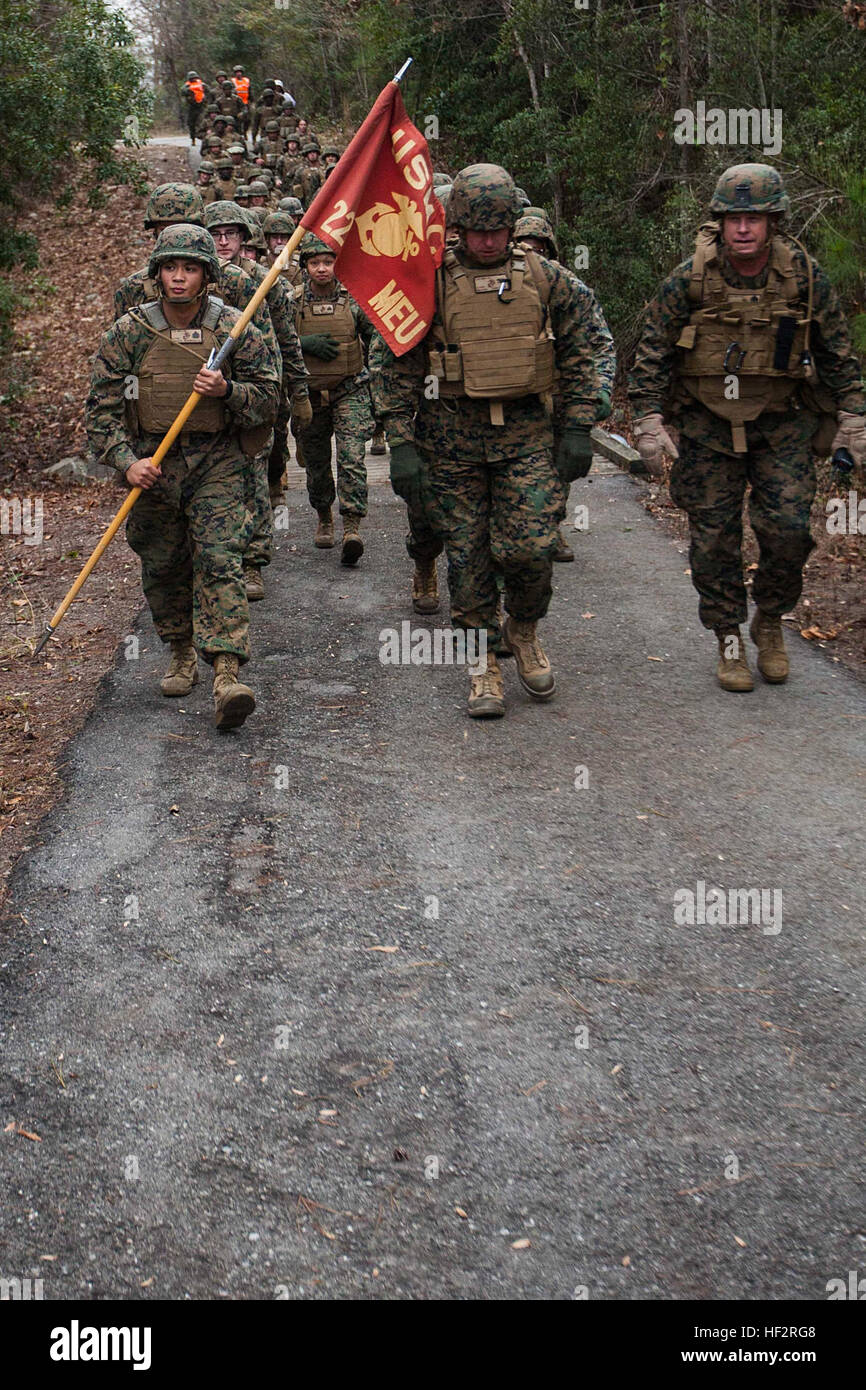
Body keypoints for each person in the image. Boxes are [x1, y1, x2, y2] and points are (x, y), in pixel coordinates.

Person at [629, 162, 866, 691]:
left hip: (783, 423)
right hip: (708, 427)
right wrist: (647, 417)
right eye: (734, 218)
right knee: (713, 542)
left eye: (754, 219)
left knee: (787, 533)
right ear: (720, 220)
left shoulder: (803, 277)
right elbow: (653, 352)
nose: (743, 229)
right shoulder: (689, 279)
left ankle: (770, 619)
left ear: (773, 222)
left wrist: (853, 414)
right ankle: (729, 638)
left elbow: (837, 349)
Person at [372, 163, 597, 718]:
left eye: (498, 228)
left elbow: (585, 349)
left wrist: (579, 425)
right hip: (451, 444)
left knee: (530, 550)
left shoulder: (547, 280)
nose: (489, 240)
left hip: (526, 439)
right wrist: (401, 444)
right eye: (477, 230)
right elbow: (394, 363)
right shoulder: (428, 285)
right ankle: (483, 663)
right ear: (458, 229)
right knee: (467, 560)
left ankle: (522, 630)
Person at [87, 224, 280, 729]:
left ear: (206, 275)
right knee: (164, 563)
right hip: (153, 466)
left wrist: (227, 392)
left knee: (219, 559)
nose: (179, 277)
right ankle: (179, 647)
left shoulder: (236, 330)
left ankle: (226, 672)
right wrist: (125, 460)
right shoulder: (130, 332)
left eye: (189, 268)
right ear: (156, 274)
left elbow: (269, 400)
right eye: (170, 268)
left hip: (216, 462)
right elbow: (100, 411)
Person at [514, 207, 615, 561]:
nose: (531, 254)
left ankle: (551, 524)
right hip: (521, 395)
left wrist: (600, 388)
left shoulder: (570, 288)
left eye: (538, 248)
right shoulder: (503, 288)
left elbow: (599, 341)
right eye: (524, 246)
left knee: (560, 463)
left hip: (562, 391)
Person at [205, 201, 312, 529]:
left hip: (262, 384)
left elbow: (286, 336)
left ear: (243, 238)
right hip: (210, 387)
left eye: (230, 234)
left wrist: (300, 390)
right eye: (216, 234)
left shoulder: (265, 280)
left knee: (271, 449)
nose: (223, 242)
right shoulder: (191, 278)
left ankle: (272, 494)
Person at [292, 233, 375, 563]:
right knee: (316, 461)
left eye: (328, 262)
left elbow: (375, 340)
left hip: (349, 388)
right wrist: (303, 343)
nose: (322, 269)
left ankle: (352, 525)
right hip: (310, 395)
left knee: (352, 456)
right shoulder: (292, 301)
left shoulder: (355, 299)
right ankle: (324, 516)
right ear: (306, 267)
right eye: (315, 263)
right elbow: (275, 342)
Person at [181, 71, 206, 145]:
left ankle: (203, 138)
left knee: (202, 122)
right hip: (191, 107)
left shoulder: (201, 84)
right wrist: (189, 91)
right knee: (191, 124)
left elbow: (208, 91)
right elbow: (182, 92)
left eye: (194, 78)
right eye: (192, 78)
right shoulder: (186, 85)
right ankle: (193, 139)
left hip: (201, 106)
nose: (193, 79)